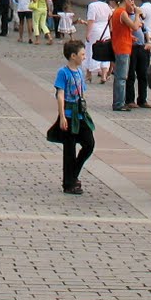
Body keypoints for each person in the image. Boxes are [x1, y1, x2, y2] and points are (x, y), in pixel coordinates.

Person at [53, 39, 95, 195]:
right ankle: (68, 183)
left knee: (89, 144)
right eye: (82, 54)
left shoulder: (79, 72)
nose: (84, 57)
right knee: (69, 150)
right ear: (72, 56)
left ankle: (73, 174)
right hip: (69, 115)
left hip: (80, 114)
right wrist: (62, 116)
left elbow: (81, 92)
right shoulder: (63, 72)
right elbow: (60, 94)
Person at [110, 0, 139, 112]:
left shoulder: (117, 12)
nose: (133, 2)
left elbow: (120, 30)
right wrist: (137, 14)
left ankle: (119, 102)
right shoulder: (122, 12)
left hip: (121, 45)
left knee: (120, 77)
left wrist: (130, 37)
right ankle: (119, 103)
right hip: (123, 48)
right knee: (121, 77)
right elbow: (135, 26)